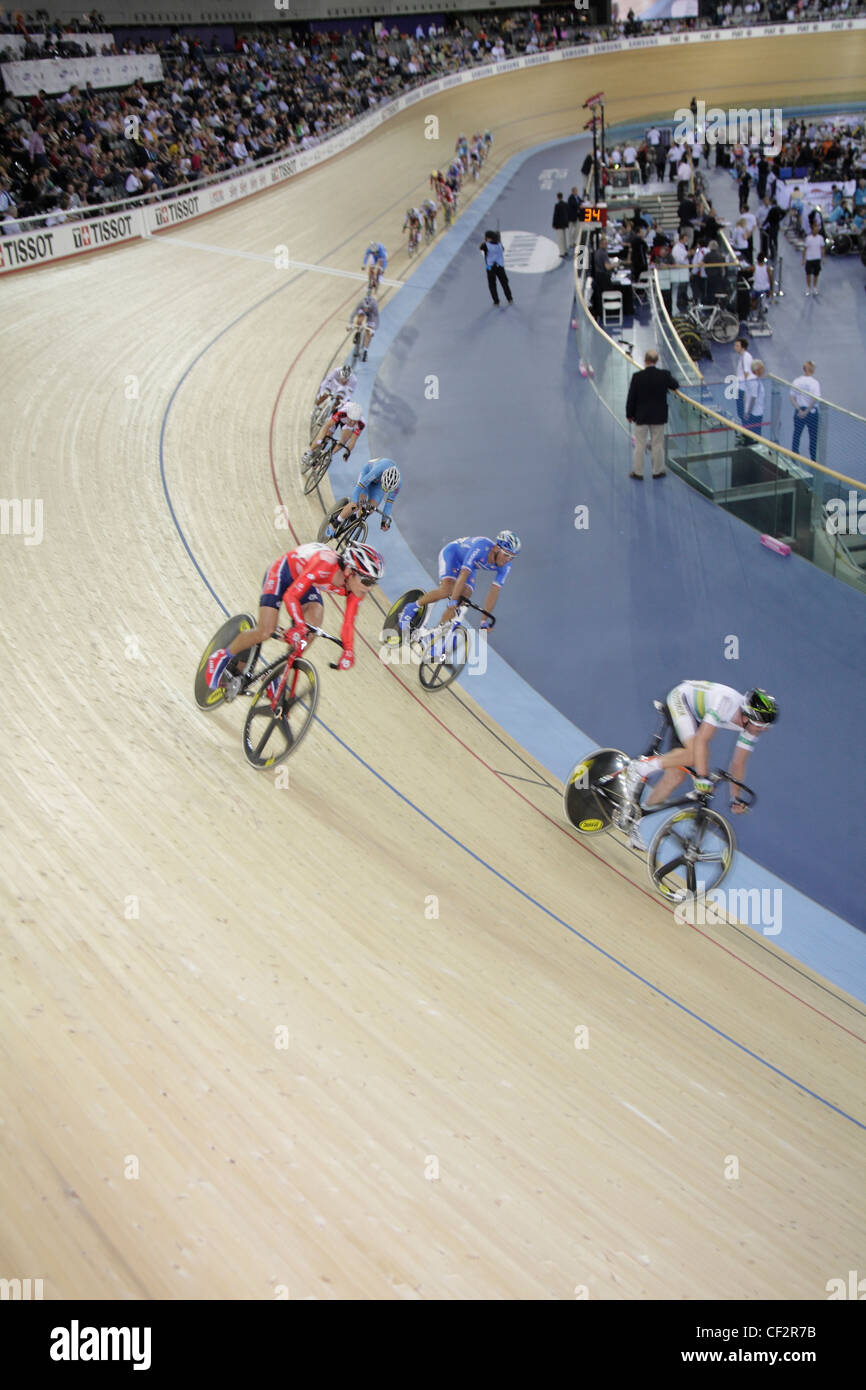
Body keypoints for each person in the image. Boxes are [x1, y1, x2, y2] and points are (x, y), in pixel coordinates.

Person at [205, 540, 385, 691]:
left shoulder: (357, 591)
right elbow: (291, 595)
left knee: (312, 628)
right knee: (265, 630)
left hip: (306, 582)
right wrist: (298, 624)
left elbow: (348, 623)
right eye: (367, 581)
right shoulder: (325, 563)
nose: (369, 588)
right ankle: (221, 656)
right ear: (349, 571)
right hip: (282, 573)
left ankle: (275, 675)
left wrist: (349, 650)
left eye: (373, 583)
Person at [620, 682, 778, 842]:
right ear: (747, 717)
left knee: (675, 777)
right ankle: (640, 768)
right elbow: (702, 740)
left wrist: (735, 797)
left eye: (766, 727)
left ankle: (633, 818)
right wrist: (702, 777)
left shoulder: (750, 728)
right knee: (694, 755)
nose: (763, 731)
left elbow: (738, 763)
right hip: (681, 699)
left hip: (696, 716)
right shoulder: (726, 702)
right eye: (760, 727)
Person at [398, 531, 521, 634]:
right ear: (496, 548)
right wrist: (452, 602)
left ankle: (437, 634)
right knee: (448, 591)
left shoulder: (506, 566)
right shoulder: (481, 546)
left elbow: (494, 592)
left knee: (464, 597)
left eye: (511, 557)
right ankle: (411, 608)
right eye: (506, 555)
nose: (507, 560)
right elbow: (464, 574)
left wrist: (484, 620)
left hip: (469, 565)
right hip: (453, 554)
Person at [625, 349, 679, 479]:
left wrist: (629, 414)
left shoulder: (637, 377)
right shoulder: (664, 375)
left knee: (639, 445)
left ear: (645, 361)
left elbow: (631, 397)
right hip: (658, 416)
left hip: (641, 416)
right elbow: (675, 385)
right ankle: (657, 471)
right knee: (657, 444)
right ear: (656, 361)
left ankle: (638, 472)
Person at [328, 459, 401, 534]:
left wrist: (383, 521)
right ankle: (335, 523)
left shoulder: (397, 485)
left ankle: (354, 518)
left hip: (378, 486)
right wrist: (355, 502)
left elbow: (389, 504)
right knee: (358, 504)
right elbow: (360, 486)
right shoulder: (378, 469)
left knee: (371, 509)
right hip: (367, 473)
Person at [303, 399, 366, 466]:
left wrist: (347, 452)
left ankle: (330, 455)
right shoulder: (342, 412)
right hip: (339, 418)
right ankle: (309, 452)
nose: (352, 423)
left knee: (344, 440)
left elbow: (353, 441)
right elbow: (326, 426)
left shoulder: (361, 424)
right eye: (351, 420)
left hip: (346, 424)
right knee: (328, 434)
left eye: (355, 421)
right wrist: (321, 439)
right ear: (348, 415)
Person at [790, 361, 821, 461]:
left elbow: (792, 397)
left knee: (796, 434)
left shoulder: (796, 381)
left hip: (799, 411)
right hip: (811, 413)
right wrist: (807, 411)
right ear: (812, 370)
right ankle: (813, 459)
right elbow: (814, 399)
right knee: (813, 437)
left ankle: (794, 455)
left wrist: (799, 409)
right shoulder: (815, 383)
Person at [480, 230, 512, 306]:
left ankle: (496, 301)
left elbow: (481, 247)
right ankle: (509, 298)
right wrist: (498, 239)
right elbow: (502, 249)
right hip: (500, 267)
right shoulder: (500, 245)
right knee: (504, 283)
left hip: (490, 268)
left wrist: (486, 241)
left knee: (492, 284)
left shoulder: (486, 245)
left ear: (489, 238)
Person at [348, 293, 379, 361]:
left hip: (372, 315)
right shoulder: (361, 304)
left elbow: (376, 318)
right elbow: (352, 315)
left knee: (368, 333)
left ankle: (365, 352)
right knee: (359, 319)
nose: (366, 309)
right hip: (362, 311)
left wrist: (373, 329)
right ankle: (358, 332)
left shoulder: (374, 306)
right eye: (365, 308)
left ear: (369, 306)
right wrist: (350, 325)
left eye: (367, 308)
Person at [733, 337, 754, 425]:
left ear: (743, 347)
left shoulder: (746, 357)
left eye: (737, 346)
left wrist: (746, 391)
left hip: (743, 388)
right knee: (740, 411)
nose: (735, 347)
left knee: (742, 411)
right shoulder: (743, 357)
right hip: (740, 387)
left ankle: (747, 430)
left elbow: (747, 373)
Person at [743, 360, 766, 435]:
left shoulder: (755, 379)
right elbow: (753, 398)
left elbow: (746, 395)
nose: (764, 370)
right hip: (754, 414)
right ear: (757, 370)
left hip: (755, 412)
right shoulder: (754, 381)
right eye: (762, 368)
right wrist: (748, 413)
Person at [802, 223, 825, 297]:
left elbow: (822, 248)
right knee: (808, 274)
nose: (817, 230)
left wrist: (823, 258)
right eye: (815, 228)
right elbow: (805, 249)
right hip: (809, 259)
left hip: (817, 259)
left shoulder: (820, 238)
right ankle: (808, 287)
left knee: (816, 274)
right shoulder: (808, 238)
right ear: (812, 229)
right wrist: (803, 259)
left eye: (818, 228)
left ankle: (814, 287)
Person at [552, 191, 570, 257]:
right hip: (565, 224)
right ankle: (565, 251)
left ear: (558, 197)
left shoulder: (557, 205)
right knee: (564, 238)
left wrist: (554, 224)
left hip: (559, 224)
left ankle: (562, 252)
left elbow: (555, 215)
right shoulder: (566, 204)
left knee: (560, 239)